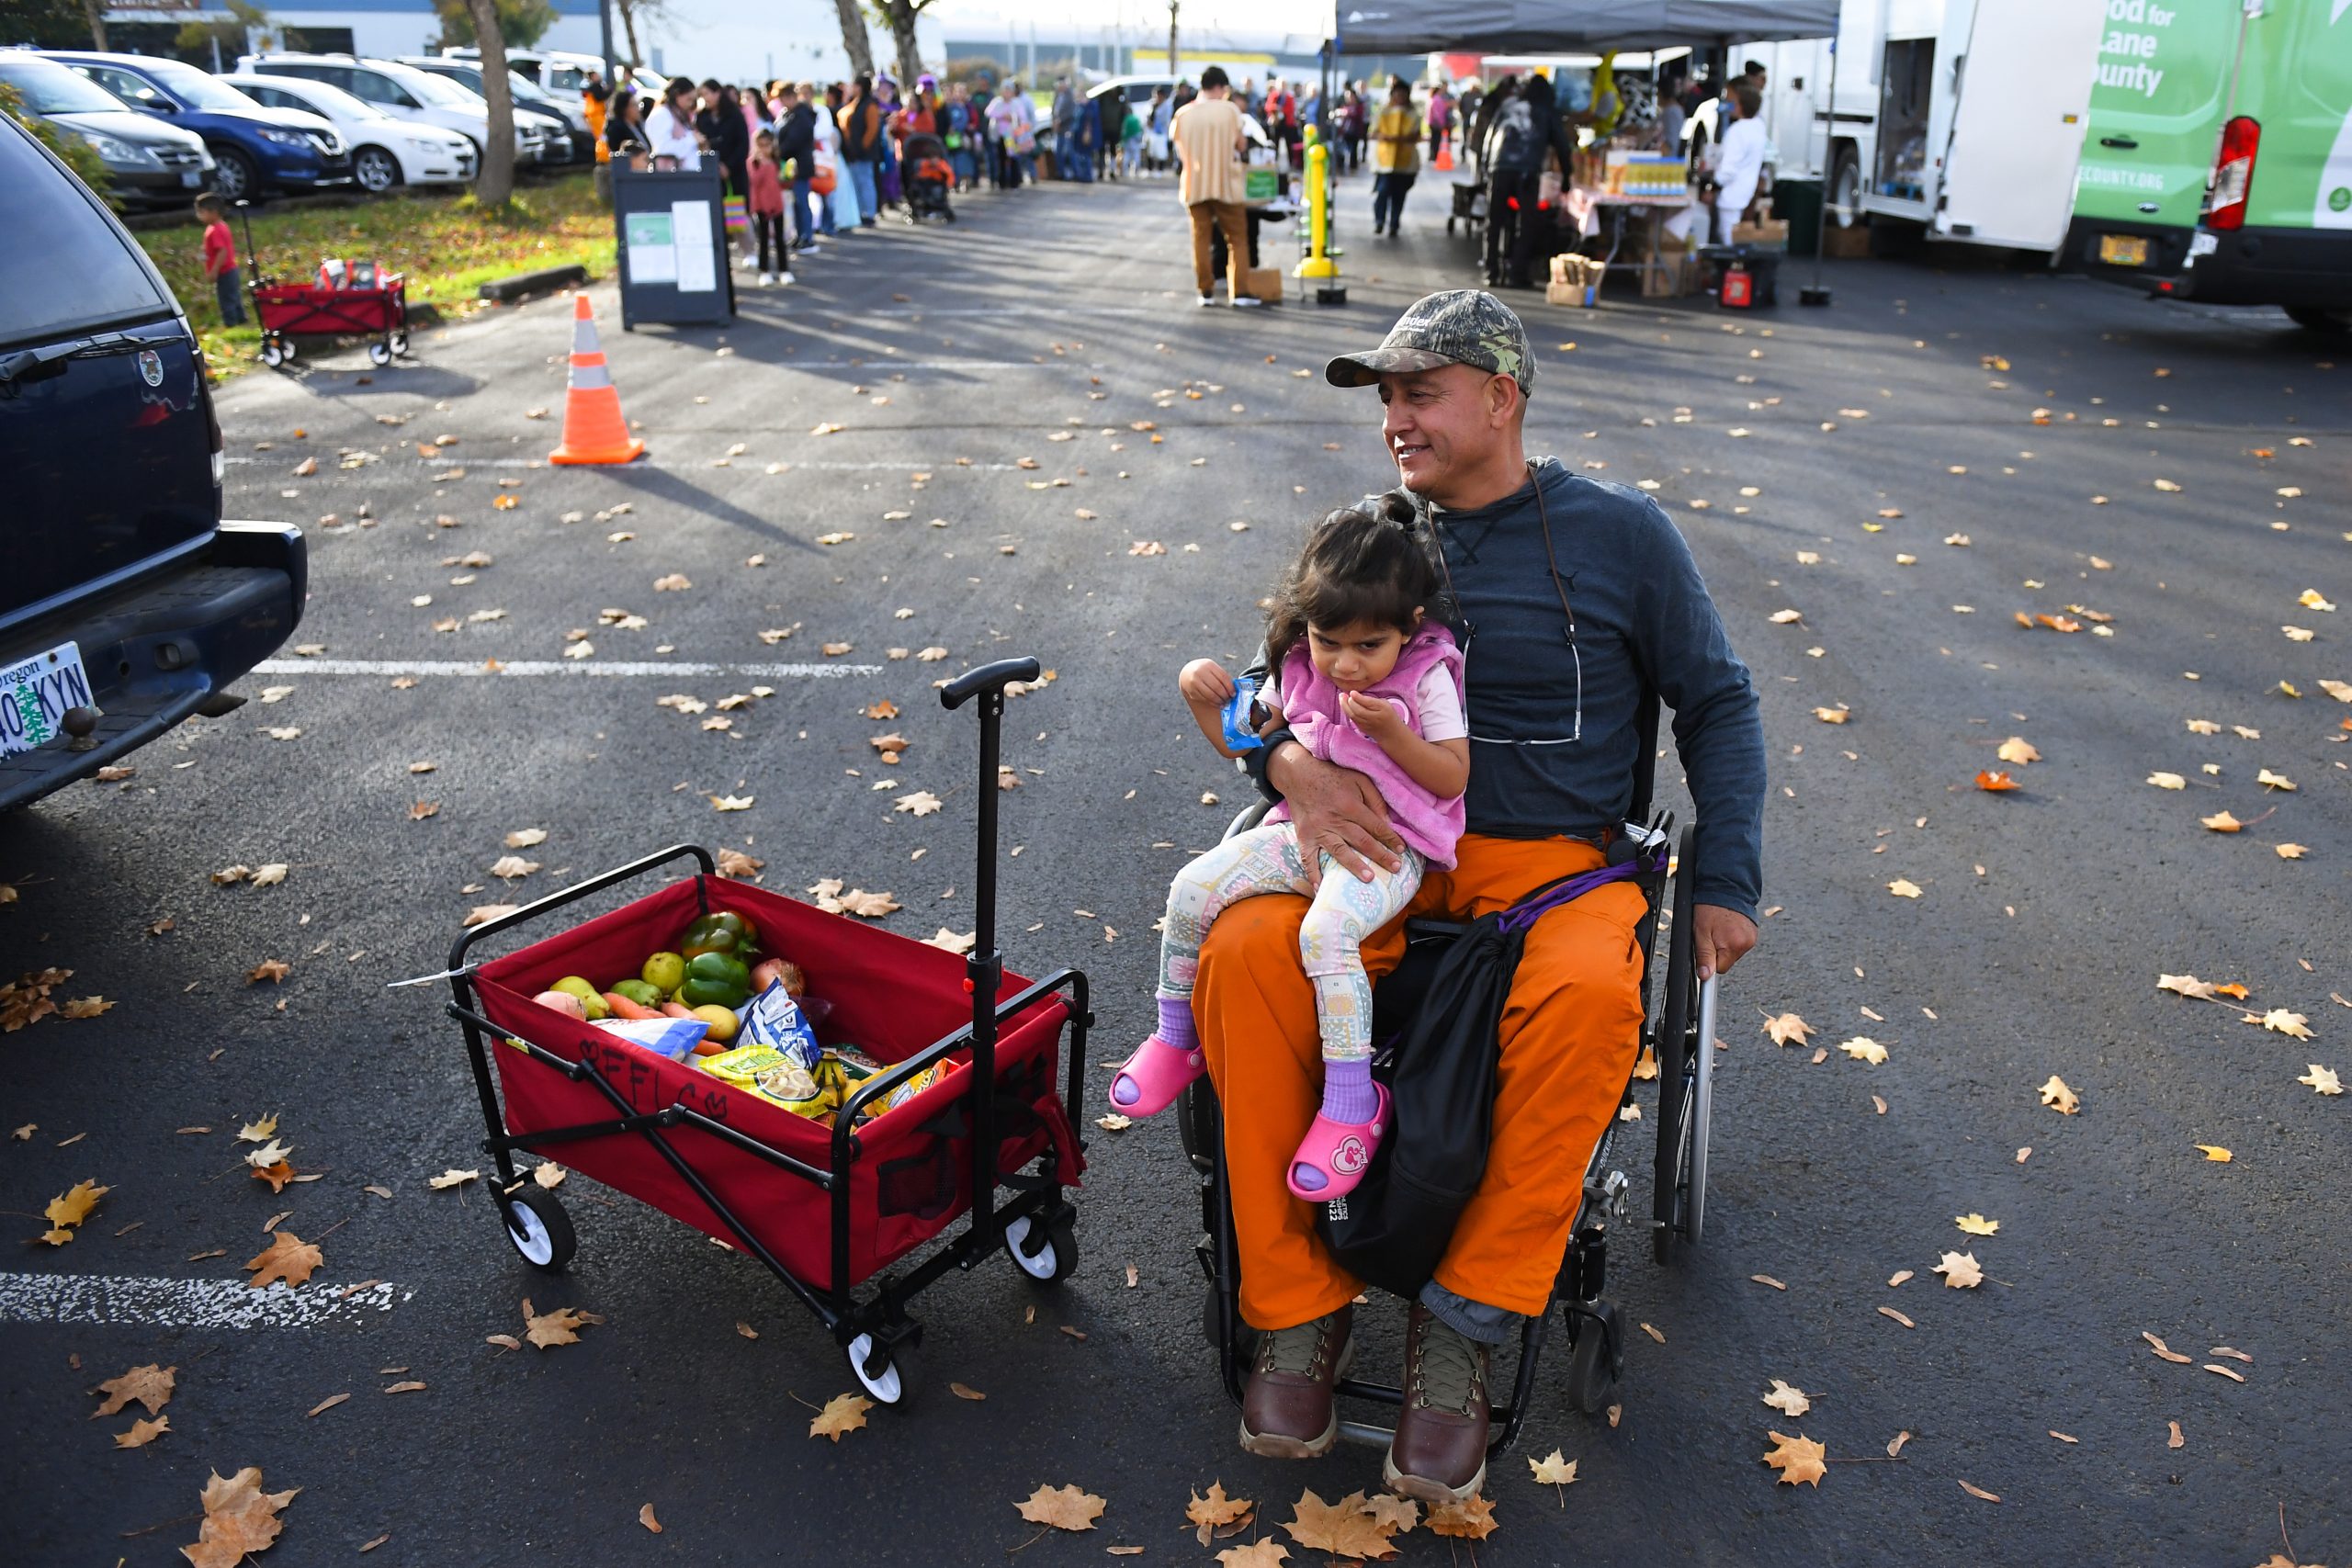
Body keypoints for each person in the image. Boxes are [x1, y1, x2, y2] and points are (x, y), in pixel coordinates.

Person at [1200, 289, 1764, 1500]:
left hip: (1552, 866)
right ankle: (1298, 1305)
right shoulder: (1369, 535)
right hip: (1380, 852)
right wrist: (1285, 764)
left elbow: (1718, 700)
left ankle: (1465, 1325)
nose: (1396, 417)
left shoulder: (1621, 536)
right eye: (1386, 396)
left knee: (1584, 1001)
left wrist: (1726, 876)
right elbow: (1260, 684)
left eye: (1421, 392)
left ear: (1502, 399)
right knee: (1244, 952)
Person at [1109, 510, 1468, 1202]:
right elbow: (1243, 738)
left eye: (1370, 644)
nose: (1346, 662)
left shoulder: (1425, 676)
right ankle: (1176, 1036)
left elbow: (1453, 775)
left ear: (1411, 625)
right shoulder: (1302, 668)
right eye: (1328, 640)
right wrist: (1196, 691)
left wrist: (1394, 734)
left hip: (1391, 847)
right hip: (1300, 833)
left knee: (1324, 933)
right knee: (1191, 886)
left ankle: (1351, 1101)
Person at [1171, 66, 1261, 310]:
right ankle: (1239, 291)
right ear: (1221, 87)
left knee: (1200, 239)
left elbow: (1180, 151)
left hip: (1195, 184)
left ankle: (1205, 290)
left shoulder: (1183, 114)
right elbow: (1241, 144)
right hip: (1226, 186)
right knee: (1237, 238)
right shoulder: (1229, 110)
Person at [1482, 73, 1576, 288]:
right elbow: (1562, 146)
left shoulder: (1508, 106)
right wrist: (1567, 176)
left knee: (1494, 221)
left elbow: (1490, 137)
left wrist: (1486, 168)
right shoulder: (1546, 111)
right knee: (1526, 224)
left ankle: (1491, 271)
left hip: (1499, 168)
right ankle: (1517, 272)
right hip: (1527, 171)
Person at [1711, 81, 1766, 243]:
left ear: (1741, 105)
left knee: (1727, 239)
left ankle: (1732, 267)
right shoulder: (1758, 128)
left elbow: (1729, 168)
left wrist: (1713, 186)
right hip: (1745, 192)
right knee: (1735, 238)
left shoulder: (1737, 131)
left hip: (1731, 195)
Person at [1369, 76, 1419, 237]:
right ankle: (1379, 220)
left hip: (1405, 162)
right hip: (1384, 161)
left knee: (1399, 194)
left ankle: (1394, 223)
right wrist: (1385, 137)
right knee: (1383, 191)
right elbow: (1373, 132)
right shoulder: (1383, 112)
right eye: (1397, 95)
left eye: (1403, 95)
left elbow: (1417, 135)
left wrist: (1402, 139)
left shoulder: (1413, 115)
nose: (1400, 98)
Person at [774, 83, 821, 253]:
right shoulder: (788, 114)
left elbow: (796, 139)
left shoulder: (802, 115)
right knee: (795, 203)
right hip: (789, 165)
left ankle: (807, 237)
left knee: (802, 202)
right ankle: (800, 235)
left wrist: (779, 151)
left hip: (800, 165)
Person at [746, 128, 793, 286]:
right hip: (760, 206)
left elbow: (783, 183)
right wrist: (764, 165)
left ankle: (784, 270)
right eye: (761, 145)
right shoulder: (753, 163)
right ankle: (764, 270)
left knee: (780, 239)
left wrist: (789, 175)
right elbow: (755, 181)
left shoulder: (777, 161)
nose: (764, 148)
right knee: (764, 239)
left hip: (777, 203)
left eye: (767, 145)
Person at [837, 72, 883, 227]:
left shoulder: (870, 105)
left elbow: (872, 129)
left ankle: (869, 212)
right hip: (854, 152)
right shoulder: (855, 103)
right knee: (857, 182)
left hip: (864, 153)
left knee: (866, 182)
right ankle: (860, 211)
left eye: (855, 85)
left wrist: (862, 147)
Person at [195, 194, 244, 327]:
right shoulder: (220, 226)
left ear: (213, 212)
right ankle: (241, 320)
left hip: (225, 271)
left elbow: (222, 251)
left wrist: (214, 270)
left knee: (226, 300)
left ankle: (231, 324)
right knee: (234, 297)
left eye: (201, 212)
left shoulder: (215, 230)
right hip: (230, 270)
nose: (198, 215)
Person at [644, 76, 704, 169]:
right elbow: (663, 149)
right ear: (676, 95)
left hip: (686, 177)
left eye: (693, 100)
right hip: (671, 178)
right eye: (689, 99)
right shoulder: (661, 114)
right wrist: (692, 139)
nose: (691, 104)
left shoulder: (678, 115)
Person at [987, 78, 1036, 187]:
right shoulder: (997, 102)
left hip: (1011, 136)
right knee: (1001, 158)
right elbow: (989, 112)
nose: (1007, 93)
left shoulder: (1016, 103)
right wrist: (1002, 116)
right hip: (999, 135)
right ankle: (1002, 182)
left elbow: (1023, 118)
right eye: (1005, 90)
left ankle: (1015, 181)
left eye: (1009, 91)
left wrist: (1014, 119)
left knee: (1013, 157)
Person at [603, 88, 647, 164]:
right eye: (634, 105)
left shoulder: (638, 126)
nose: (638, 109)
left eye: (638, 104)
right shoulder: (616, 129)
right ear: (624, 108)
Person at [1147, 85, 1174, 174]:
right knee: (1151, 151)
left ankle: (1160, 170)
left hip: (1162, 132)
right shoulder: (1151, 105)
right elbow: (1147, 118)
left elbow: (1167, 119)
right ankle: (1150, 169)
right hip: (1152, 131)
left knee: (1161, 152)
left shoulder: (1167, 106)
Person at [1425, 81, 1453, 164]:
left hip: (1433, 123)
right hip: (1436, 123)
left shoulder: (1434, 98)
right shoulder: (1437, 99)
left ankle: (1433, 155)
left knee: (1434, 140)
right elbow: (1438, 113)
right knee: (1436, 140)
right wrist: (1441, 123)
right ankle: (1434, 155)